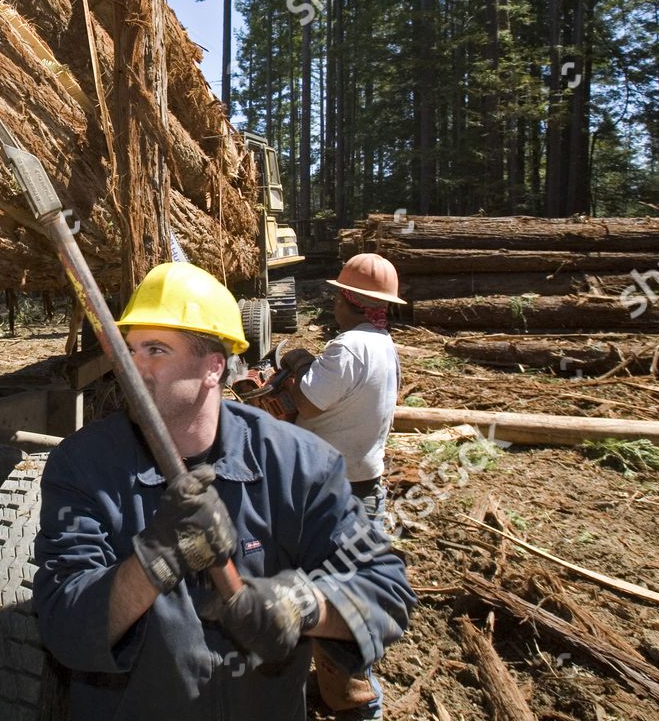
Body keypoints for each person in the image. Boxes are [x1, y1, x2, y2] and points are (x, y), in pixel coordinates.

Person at [33, 261, 414, 721]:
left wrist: (299, 605)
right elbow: (64, 626)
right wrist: (154, 559)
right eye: (130, 350)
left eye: (156, 350)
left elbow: (385, 591)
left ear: (214, 367)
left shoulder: (296, 464)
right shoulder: (84, 466)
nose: (134, 369)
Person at [275, 252, 407, 716]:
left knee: (332, 601)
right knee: (350, 593)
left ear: (347, 300)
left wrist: (293, 365)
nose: (333, 304)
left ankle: (355, 700)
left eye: (337, 297)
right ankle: (337, 681)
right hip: (366, 485)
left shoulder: (348, 347)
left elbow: (307, 406)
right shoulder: (383, 343)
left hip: (333, 495)